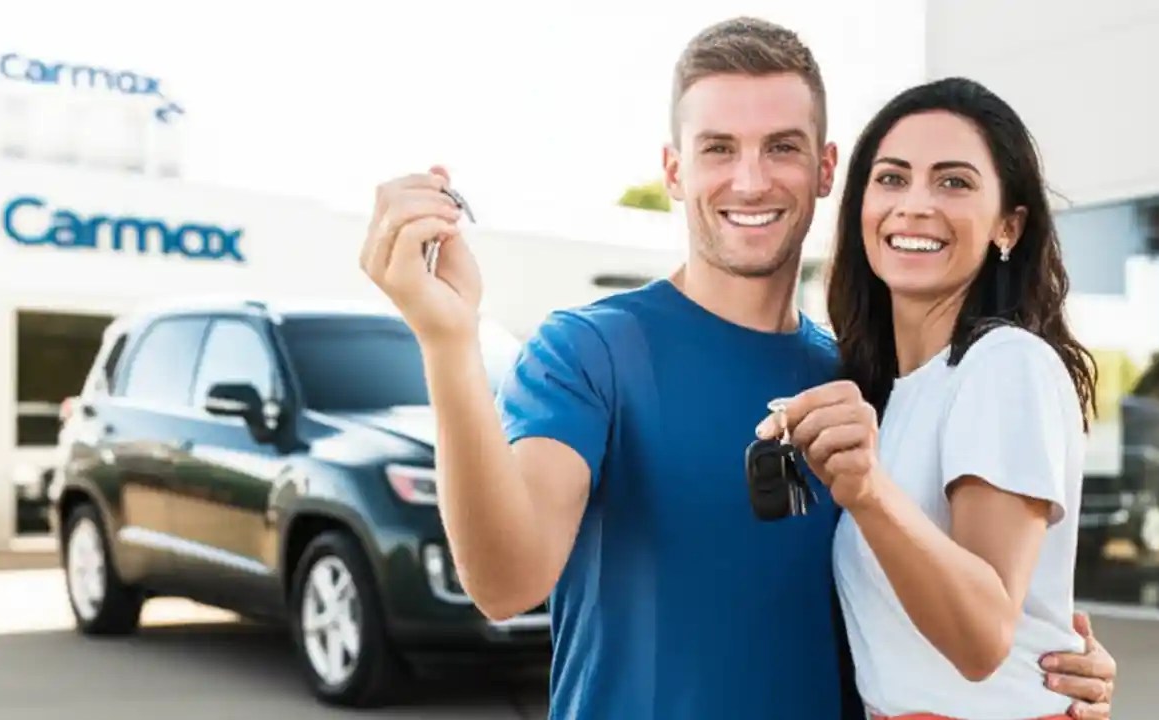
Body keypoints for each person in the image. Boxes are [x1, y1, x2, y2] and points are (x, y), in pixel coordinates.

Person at [358, 16, 1117, 720]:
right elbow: (504, 585)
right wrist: (448, 344)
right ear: (674, 171)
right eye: (718, 148)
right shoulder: (588, 352)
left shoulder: (858, 382)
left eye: (781, 147)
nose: (750, 180)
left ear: (824, 171)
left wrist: (1048, 669)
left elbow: (944, 604)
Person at [758, 76, 1115, 719]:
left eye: (954, 182)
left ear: (1008, 224)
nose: (915, 204)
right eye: (892, 178)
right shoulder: (893, 391)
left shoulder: (1006, 364)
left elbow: (982, 640)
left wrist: (867, 492)